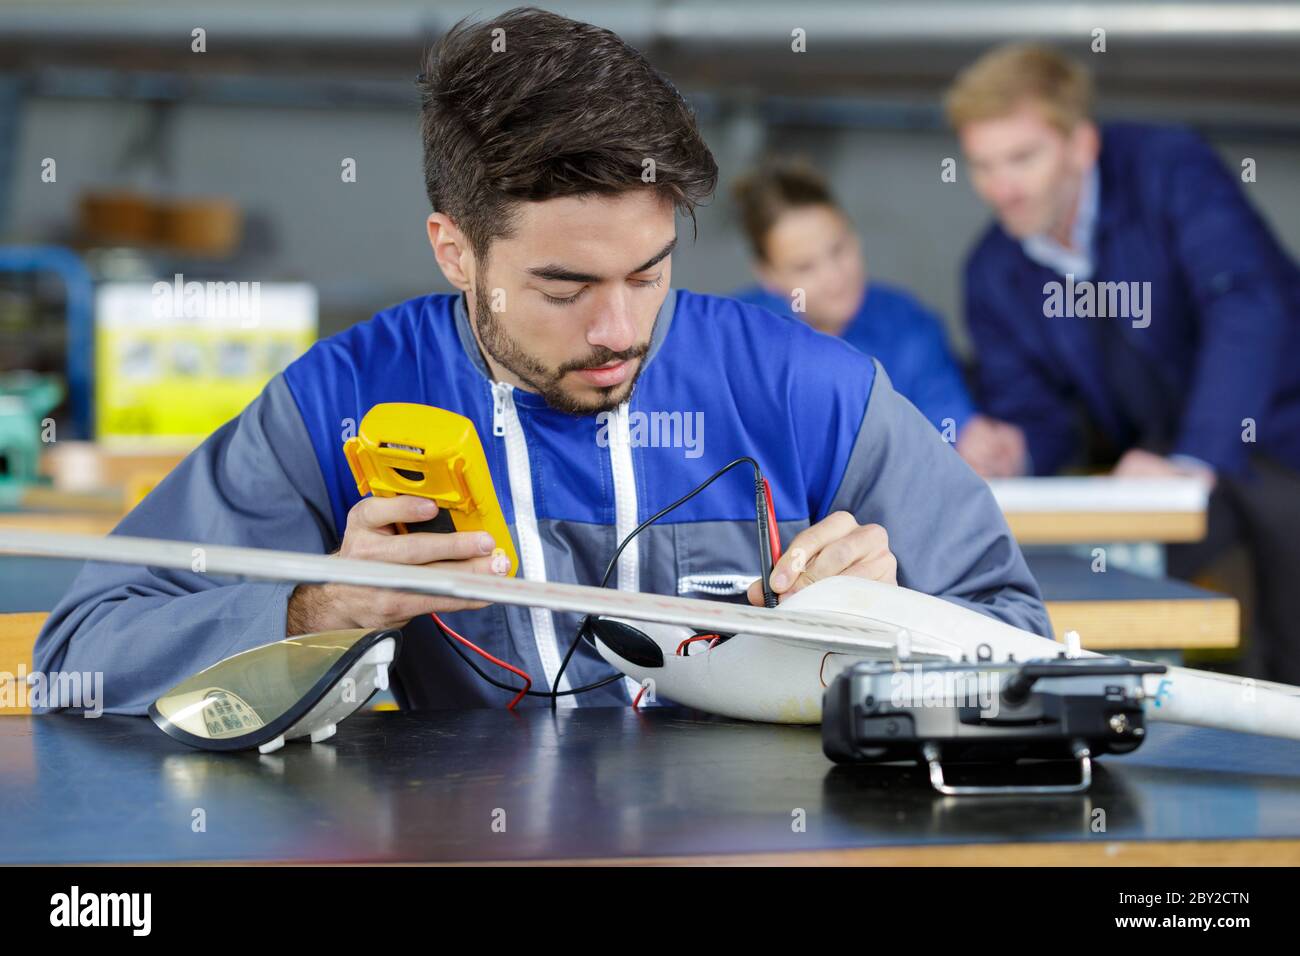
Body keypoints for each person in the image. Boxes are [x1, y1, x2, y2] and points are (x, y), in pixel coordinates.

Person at [33, 8, 1048, 716]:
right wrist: (314, 607)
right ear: (454, 251)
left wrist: (890, 619)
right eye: (564, 288)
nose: (620, 328)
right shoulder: (338, 402)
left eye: (649, 271)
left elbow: (1015, 636)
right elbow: (77, 654)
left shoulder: (805, 389)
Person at [947, 43, 1300, 683]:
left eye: (1022, 158)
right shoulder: (991, 272)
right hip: (1167, 453)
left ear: (1081, 145)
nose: (1002, 189)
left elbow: (1246, 304)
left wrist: (1196, 455)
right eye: (981, 165)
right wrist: (1015, 449)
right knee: (1095, 584)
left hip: (1277, 421)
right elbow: (1041, 412)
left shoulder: (1171, 168)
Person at [730, 159, 1013, 455]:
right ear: (768, 275)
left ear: (855, 237)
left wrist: (979, 447)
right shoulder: (736, 338)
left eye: (838, 249)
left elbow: (949, 429)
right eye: (805, 267)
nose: (834, 277)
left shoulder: (908, 324)